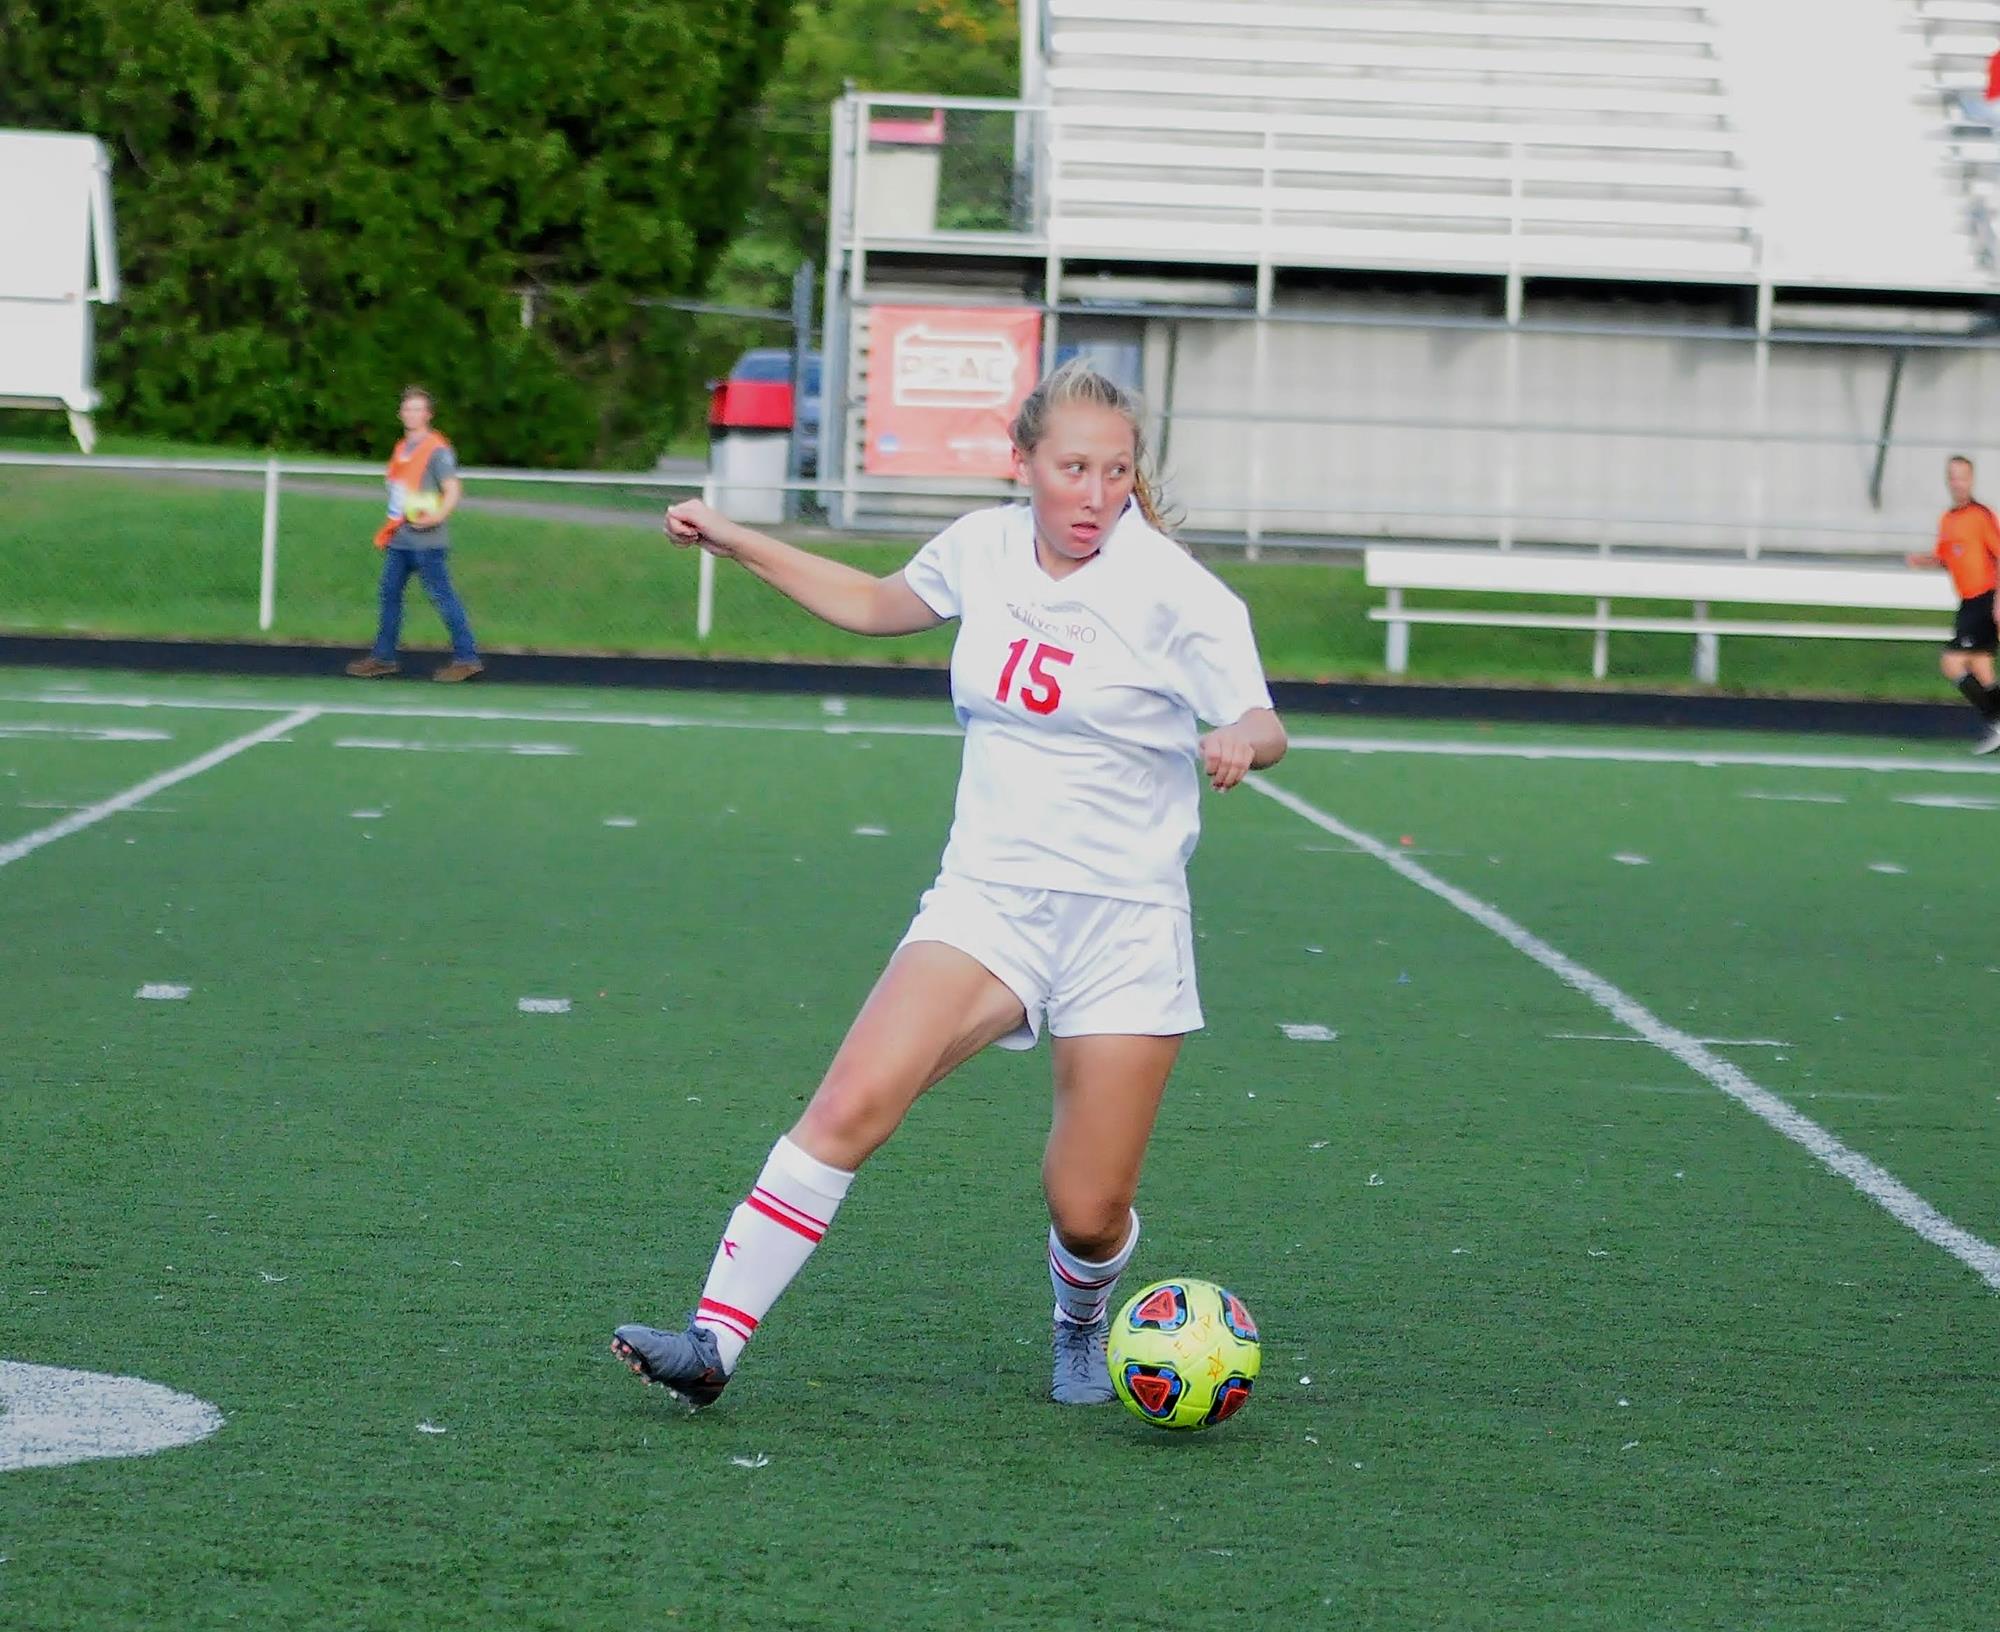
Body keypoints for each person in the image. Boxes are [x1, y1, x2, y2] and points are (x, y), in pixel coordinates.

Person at [611, 359, 1288, 1409]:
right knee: (851, 1101)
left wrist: (1239, 739)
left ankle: (1080, 1319)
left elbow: (1262, 717)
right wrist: (736, 539)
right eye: (1072, 468)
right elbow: (874, 601)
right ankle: (712, 1343)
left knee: (1086, 1210)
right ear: (1023, 463)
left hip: (1124, 921)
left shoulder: (1176, 590)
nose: (1095, 494)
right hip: (988, 899)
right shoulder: (981, 546)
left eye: (1116, 471)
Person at [345, 385, 483, 682]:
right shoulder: (402, 449)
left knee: (442, 597)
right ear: (400, 413)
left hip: (427, 541)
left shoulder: (437, 450)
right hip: (401, 539)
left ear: (428, 414)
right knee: (390, 594)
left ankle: (467, 658)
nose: (412, 414)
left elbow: (452, 490)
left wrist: (437, 516)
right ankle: (383, 658)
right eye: (408, 409)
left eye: (418, 409)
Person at [1906, 453, 2000, 754]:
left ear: (1971, 480)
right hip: (1968, 602)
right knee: (1982, 668)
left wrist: (1998, 600)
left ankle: (1996, 722)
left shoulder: (1980, 516)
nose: (1957, 482)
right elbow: (1947, 557)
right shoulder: (1948, 519)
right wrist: (1923, 561)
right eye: (1953, 477)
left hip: (1984, 598)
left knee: (1952, 662)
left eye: (1962, 477)